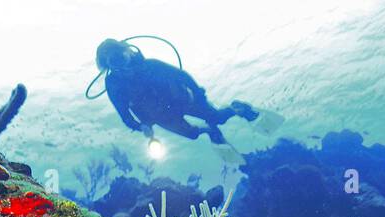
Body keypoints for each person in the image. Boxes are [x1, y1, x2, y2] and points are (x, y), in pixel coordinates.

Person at [90, 37, 281, 161]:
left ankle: (238, 108)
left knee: (217, 117)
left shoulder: (151, 65)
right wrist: (140, 127)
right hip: (162, 117)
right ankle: (210, 132)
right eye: (114, 63)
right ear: (107, 66)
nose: (122, 67)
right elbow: (123, 112)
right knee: (193, 134)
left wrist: (198, 93)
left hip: (184, 99)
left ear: (127, 52)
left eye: (120, 58)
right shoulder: (114, 84)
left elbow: (181, 76)